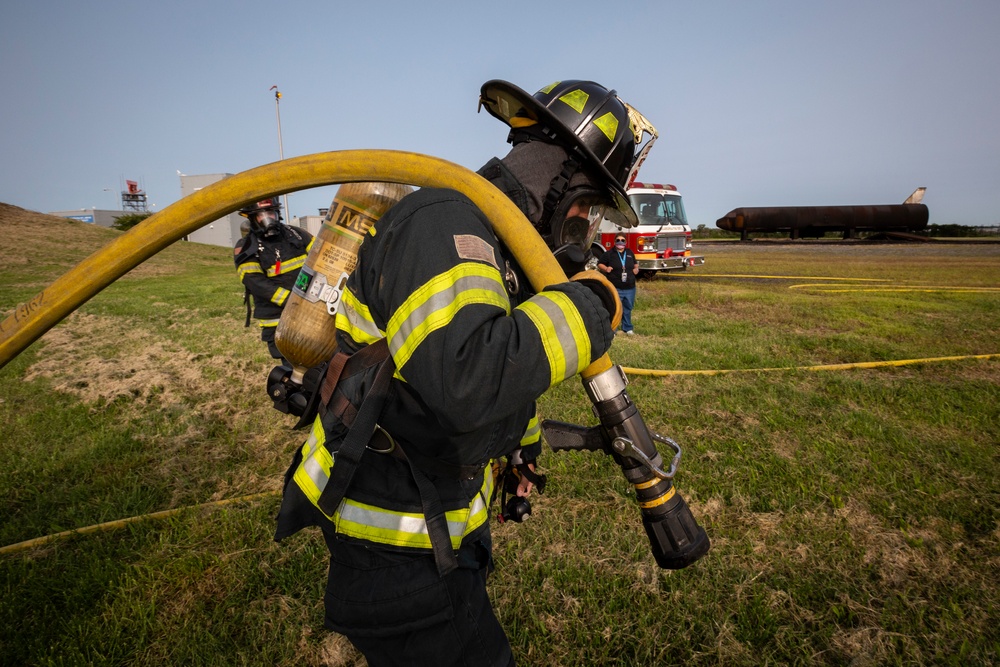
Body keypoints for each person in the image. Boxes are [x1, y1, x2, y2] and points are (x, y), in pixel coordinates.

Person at [273, 79, 657, 667]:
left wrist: (522, 451)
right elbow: (466, 380)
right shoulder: (446, 225)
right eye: (587, 206)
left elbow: (493, 366)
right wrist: (589, 307)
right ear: (557, 179)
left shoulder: (493, 245)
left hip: (433, 529)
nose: (585, 226)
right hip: (397, 548)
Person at [233, 198, 314, 360]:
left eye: (271, 213)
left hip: (311, 312)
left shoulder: (297, 235)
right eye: (262, 215)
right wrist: (292, 300)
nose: (268, 219)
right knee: (293, 368)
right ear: (251, 218)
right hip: (278, 321)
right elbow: (255, 282)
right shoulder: (246, 247)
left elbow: (320, 257)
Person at [597, 233, 640, 335]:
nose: (620, 242)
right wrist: (606, 268)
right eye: (618, 240)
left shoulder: (629, 252)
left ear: (625, 242)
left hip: (630, 287)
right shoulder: (609, 254)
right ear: (614, 242)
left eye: (622, 240)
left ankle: (627, 328)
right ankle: (613, 329)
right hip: (616, 287)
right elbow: (600, 263)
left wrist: (636, 269)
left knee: (628, 308)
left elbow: (635, 263)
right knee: (615, 308)